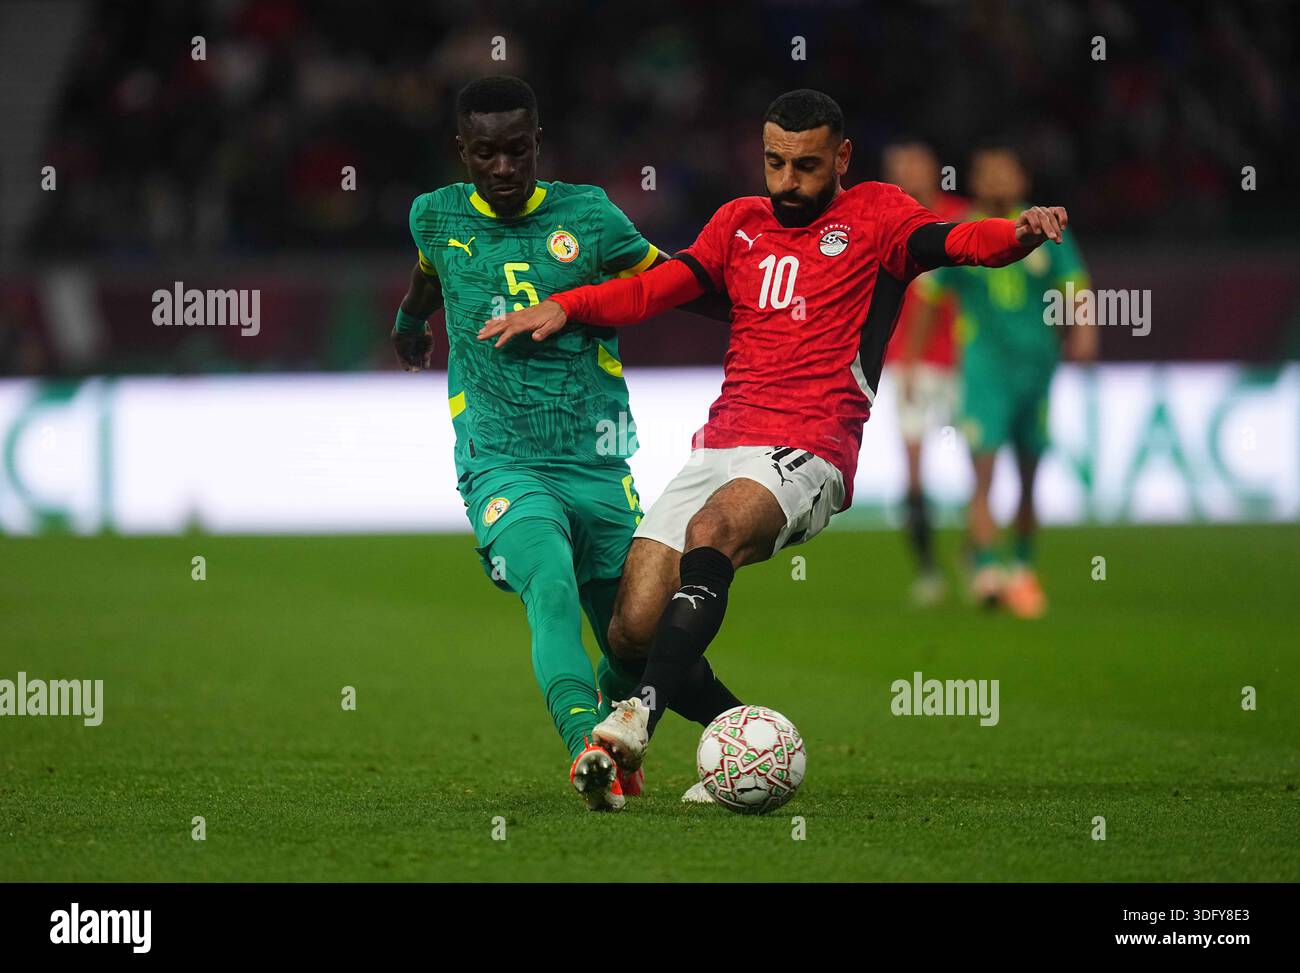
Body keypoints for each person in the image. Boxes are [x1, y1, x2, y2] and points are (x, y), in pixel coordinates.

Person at [479, 89, 1073, 797]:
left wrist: (1019, 233)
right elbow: (653, 290)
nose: (787, 181)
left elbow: (958, 243)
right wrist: (567, 305)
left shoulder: (879, 215)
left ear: (842, 157)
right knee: (630, 628)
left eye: (807, 165)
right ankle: (744, 733)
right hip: (721, 441)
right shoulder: (739, 223)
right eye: (775, 163)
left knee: (715, 528)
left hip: (811, 446)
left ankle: (640, 715)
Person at [392, 75, 737, 811]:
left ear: (537, 141)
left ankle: (627, 740)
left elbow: (673, 283)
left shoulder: (592, 216)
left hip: (597, 460)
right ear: (463, 151)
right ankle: (585, 743)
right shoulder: (435, 216)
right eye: (485, 154)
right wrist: (409, 323)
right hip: (501, 461)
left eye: (517, 149)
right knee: (547, 585)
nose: (505, 168)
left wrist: (765, 320)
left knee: (631, 641)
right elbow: (428, 276)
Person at [911, 142, 1095, 617]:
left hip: (1037, 370)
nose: (995, 180)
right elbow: (930, 300)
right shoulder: (959, 233)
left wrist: (1084, 332)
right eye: (986, 172)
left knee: (1030, 477)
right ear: (975, 180)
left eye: (1003, 172)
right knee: (984, 471)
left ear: (1021, 180)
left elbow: (1075, 285)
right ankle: (989, 566)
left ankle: (1023, 565)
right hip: (983, 370)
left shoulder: (1048, 229)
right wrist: (911, 363)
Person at [880, 139, 968, 605]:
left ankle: (980, 557)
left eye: (913, 165)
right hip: (911, 365)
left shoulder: (961, 217)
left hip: (965, 362)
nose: (907, 175)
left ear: (932, 168)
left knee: (982, 463)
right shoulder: (885, 225)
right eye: (899, 167)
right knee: (914, 472)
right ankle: (929, 571)